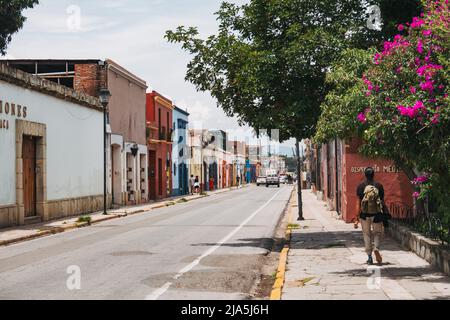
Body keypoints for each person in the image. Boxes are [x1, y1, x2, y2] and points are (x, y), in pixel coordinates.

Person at [354, 167, 385, 265]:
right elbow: (382, 202)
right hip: (376, 214)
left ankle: (370, 257)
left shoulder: (361, 186)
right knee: (377, 233)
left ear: (365, 175)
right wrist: (385, 213)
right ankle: (376, 247)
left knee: (366, 234)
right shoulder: (378, 186)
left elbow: (358, 203)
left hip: (364, 215)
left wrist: (356, 218)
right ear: (373, 174)